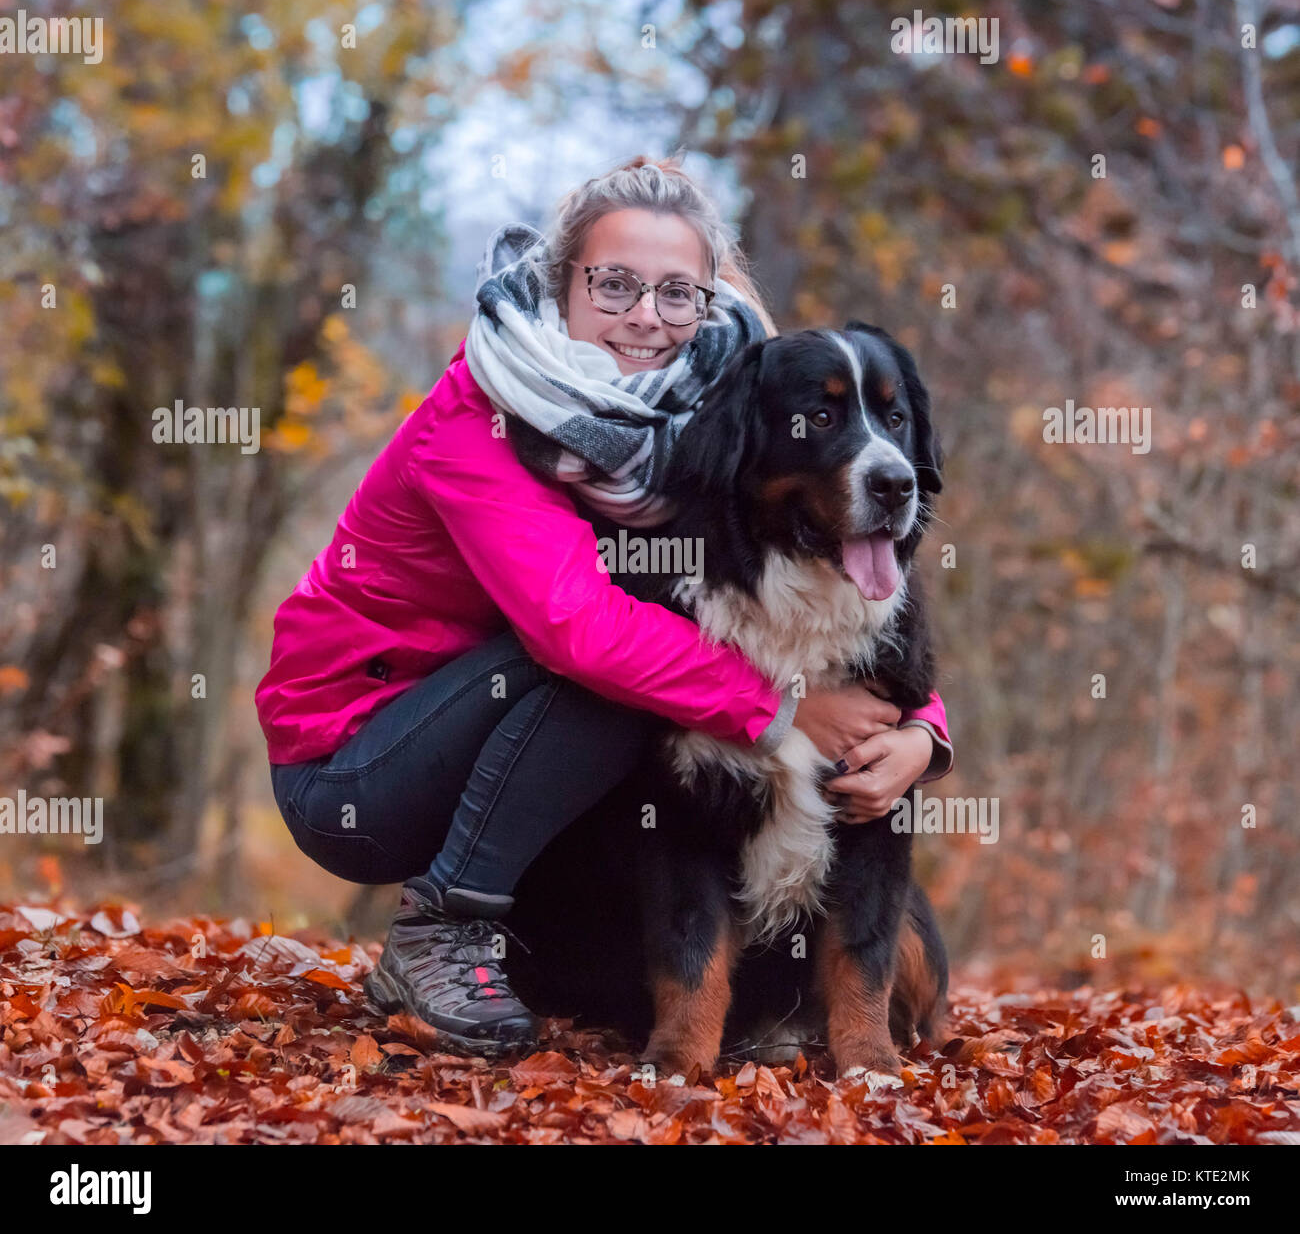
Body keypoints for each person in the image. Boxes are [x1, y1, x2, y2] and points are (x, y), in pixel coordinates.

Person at [255, 155, 953, 1057]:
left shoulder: (695, 414)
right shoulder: (482, 415)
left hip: (505, 741)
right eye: (615, 284)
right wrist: (783, 710)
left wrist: (922, 734)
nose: (645, 316)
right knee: (612, 671)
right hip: (354, 760)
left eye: (675, 292)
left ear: (709, 304)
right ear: (561, 286)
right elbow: (576, 630)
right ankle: (442, 934)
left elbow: (842, 626)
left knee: (654, 711)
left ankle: (663, 989)